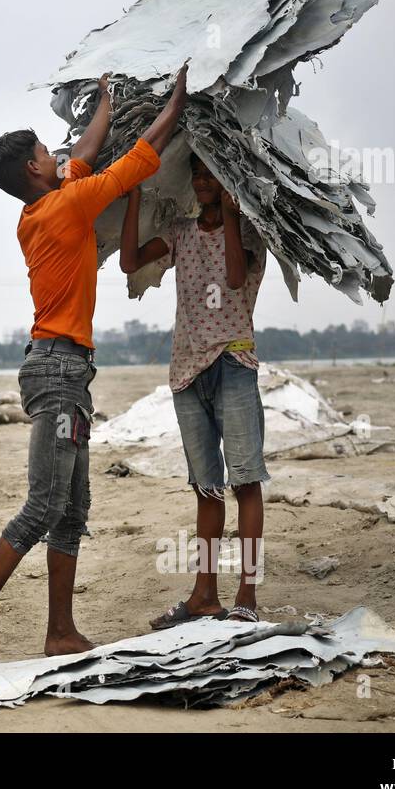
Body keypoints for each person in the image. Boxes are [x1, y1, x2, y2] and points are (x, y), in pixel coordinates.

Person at [0, 64, 189, 665]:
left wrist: (108, 100)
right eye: (45, 151)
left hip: (67, 370)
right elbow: (144, 155)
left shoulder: (44, 206)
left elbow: (85, 151)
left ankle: (61, 631)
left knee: (73, 509)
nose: (57, 154)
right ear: (36, 169)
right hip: (59, 374)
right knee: (43, 506)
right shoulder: (69, 206)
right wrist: (181, 97)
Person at [118, 152, 268, 628]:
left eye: (214, 174)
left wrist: (229, 213)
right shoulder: (181, 234)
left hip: (234, 362)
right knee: (207, 488)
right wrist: (134, 192)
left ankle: (246, 593)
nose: (204, 182)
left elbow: (235, 278)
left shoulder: (249, 234)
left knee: (244, 481)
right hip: (187, 371)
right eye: (198, 174)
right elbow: (128, 262)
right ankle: (204, 594)